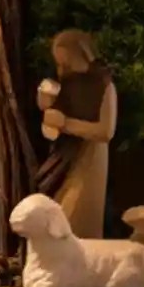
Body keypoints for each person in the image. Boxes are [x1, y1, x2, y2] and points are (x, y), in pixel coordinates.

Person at [36, 29, 117, 238]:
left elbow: (105, 132)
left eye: (67, 64)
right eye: (59, 65)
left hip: (89, 157)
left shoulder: (103, 86)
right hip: (65, 157)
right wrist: (48, 113)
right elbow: (52, 130)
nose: (63, 70)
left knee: (75, 218)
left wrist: (66, 123)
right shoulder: (67, 86)